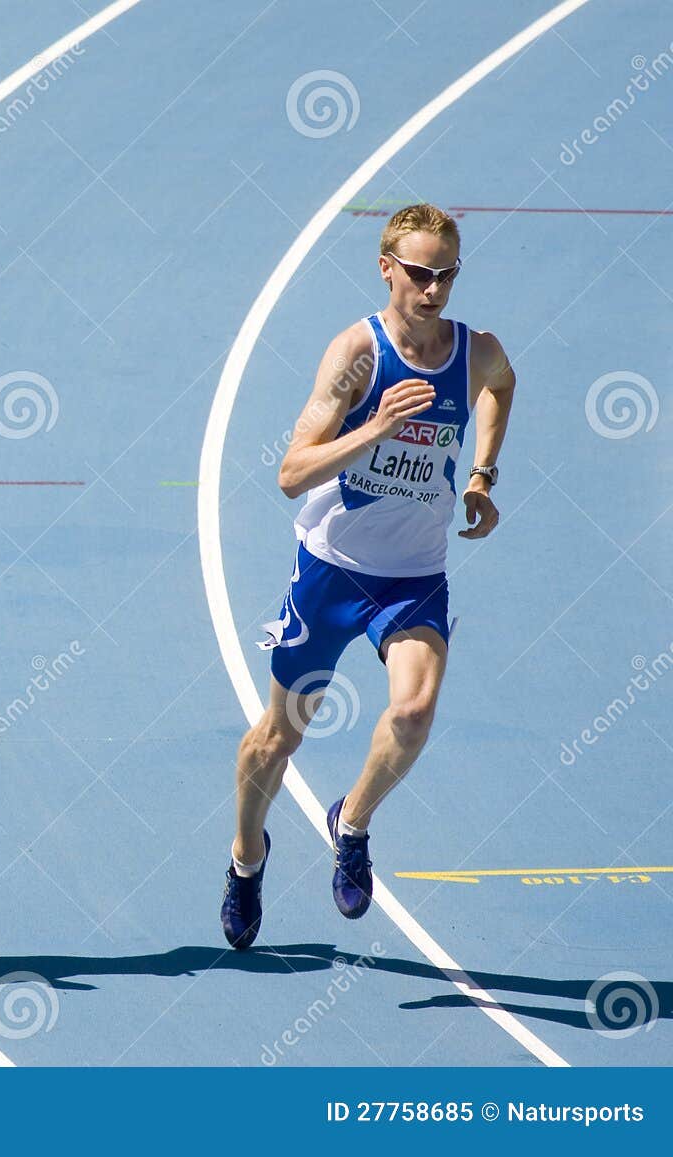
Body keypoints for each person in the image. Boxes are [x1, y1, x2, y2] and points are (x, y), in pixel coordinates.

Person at [221, 203, 513, 949]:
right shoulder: (358, 352)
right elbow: (292, 472)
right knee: (276, 741)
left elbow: (502, 384)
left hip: (414, 575)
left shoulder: (473, 351)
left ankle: (350, 823)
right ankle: (247, 859)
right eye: (419, 274)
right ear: (386, 268)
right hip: (334, 571)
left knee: (413, 712)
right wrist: (375, 429)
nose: (434, 289)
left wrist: (480, 474)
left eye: (447, 275)